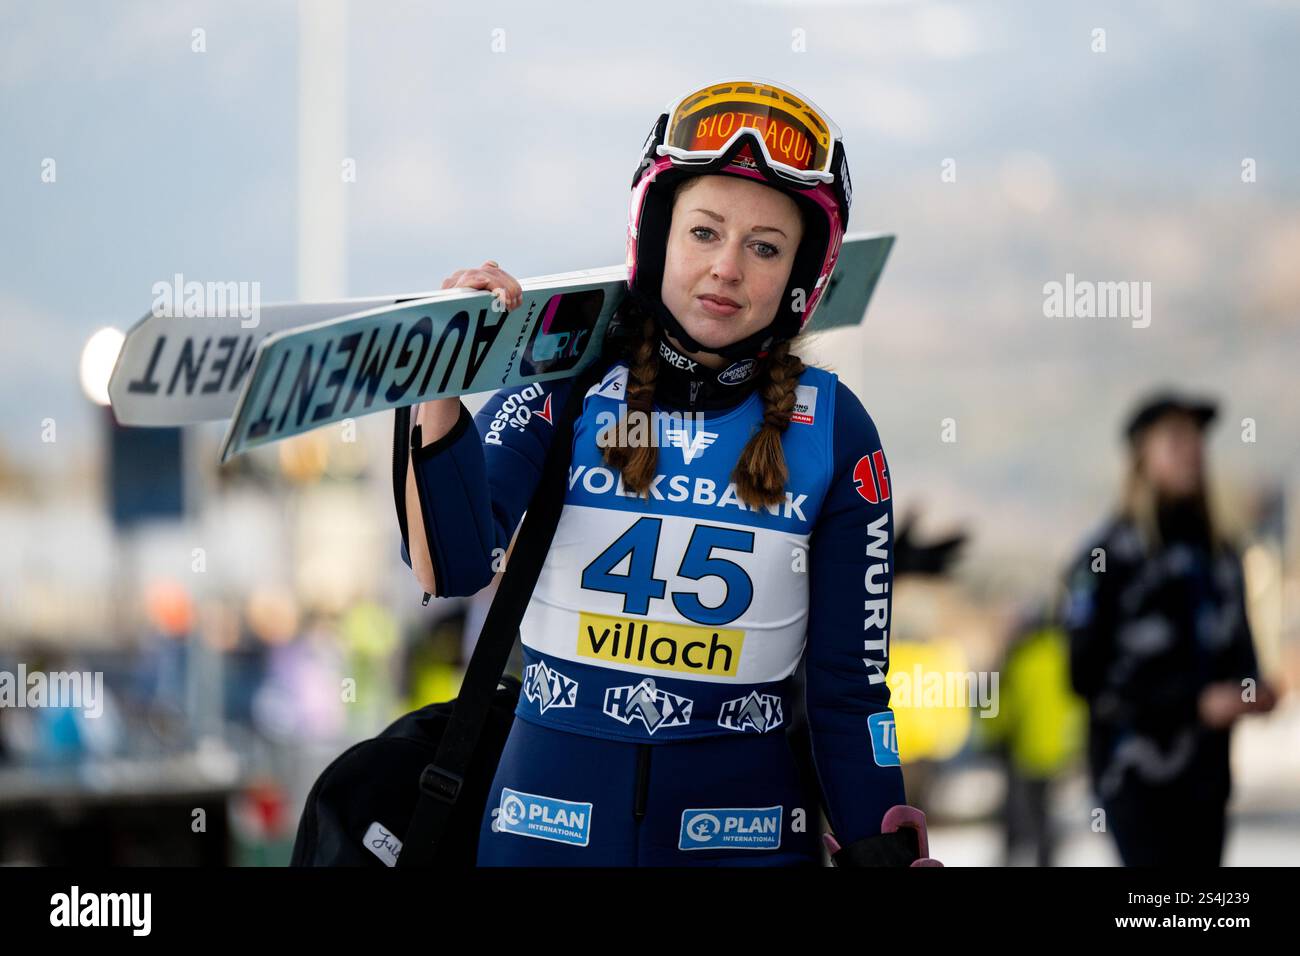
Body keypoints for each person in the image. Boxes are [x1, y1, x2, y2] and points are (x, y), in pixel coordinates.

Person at [399, 78, 933, 866]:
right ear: (655, 239)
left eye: (764, 247)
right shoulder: (565, 384)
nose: (727, 268)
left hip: (745, 841)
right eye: (705, 232)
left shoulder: (836, 428)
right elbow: (447, 564)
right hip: (542, 829)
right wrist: (439, 385)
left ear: (799, 278)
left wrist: (882, 844)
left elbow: (849, 693)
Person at [1062, 391, 1277, 866]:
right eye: (1175, 439)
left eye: (1197, 439)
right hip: (1136, 780)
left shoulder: (1220, 554)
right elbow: (1085, 676)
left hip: (1207, 781)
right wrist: (1192, 703)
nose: (1193, 451)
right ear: (1142, 455)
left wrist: (1254, 692)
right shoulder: (1107, 557)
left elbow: (1239, 650)